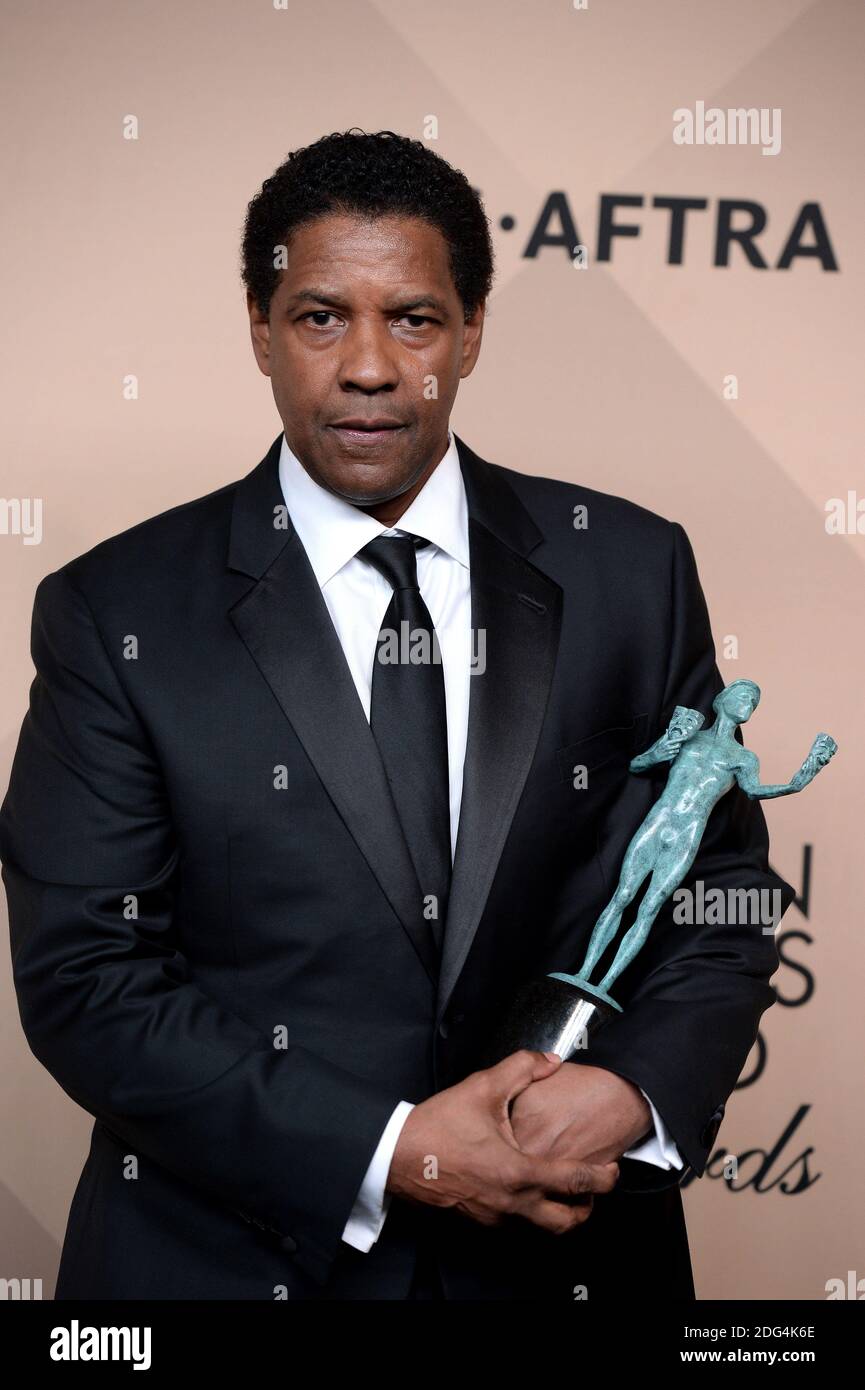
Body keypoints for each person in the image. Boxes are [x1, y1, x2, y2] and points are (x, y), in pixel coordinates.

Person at [0, 130, 794, 1301]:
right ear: (260, 328)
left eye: (413, 319)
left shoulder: (629, 570)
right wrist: (395, 1153)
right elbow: (87, 975)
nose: (369, 366)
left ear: (471, 331)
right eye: (321, 317)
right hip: (223, 1266)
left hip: (563, 1268)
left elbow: (716, 895)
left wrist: (632, 1093)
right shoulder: (113, 610)